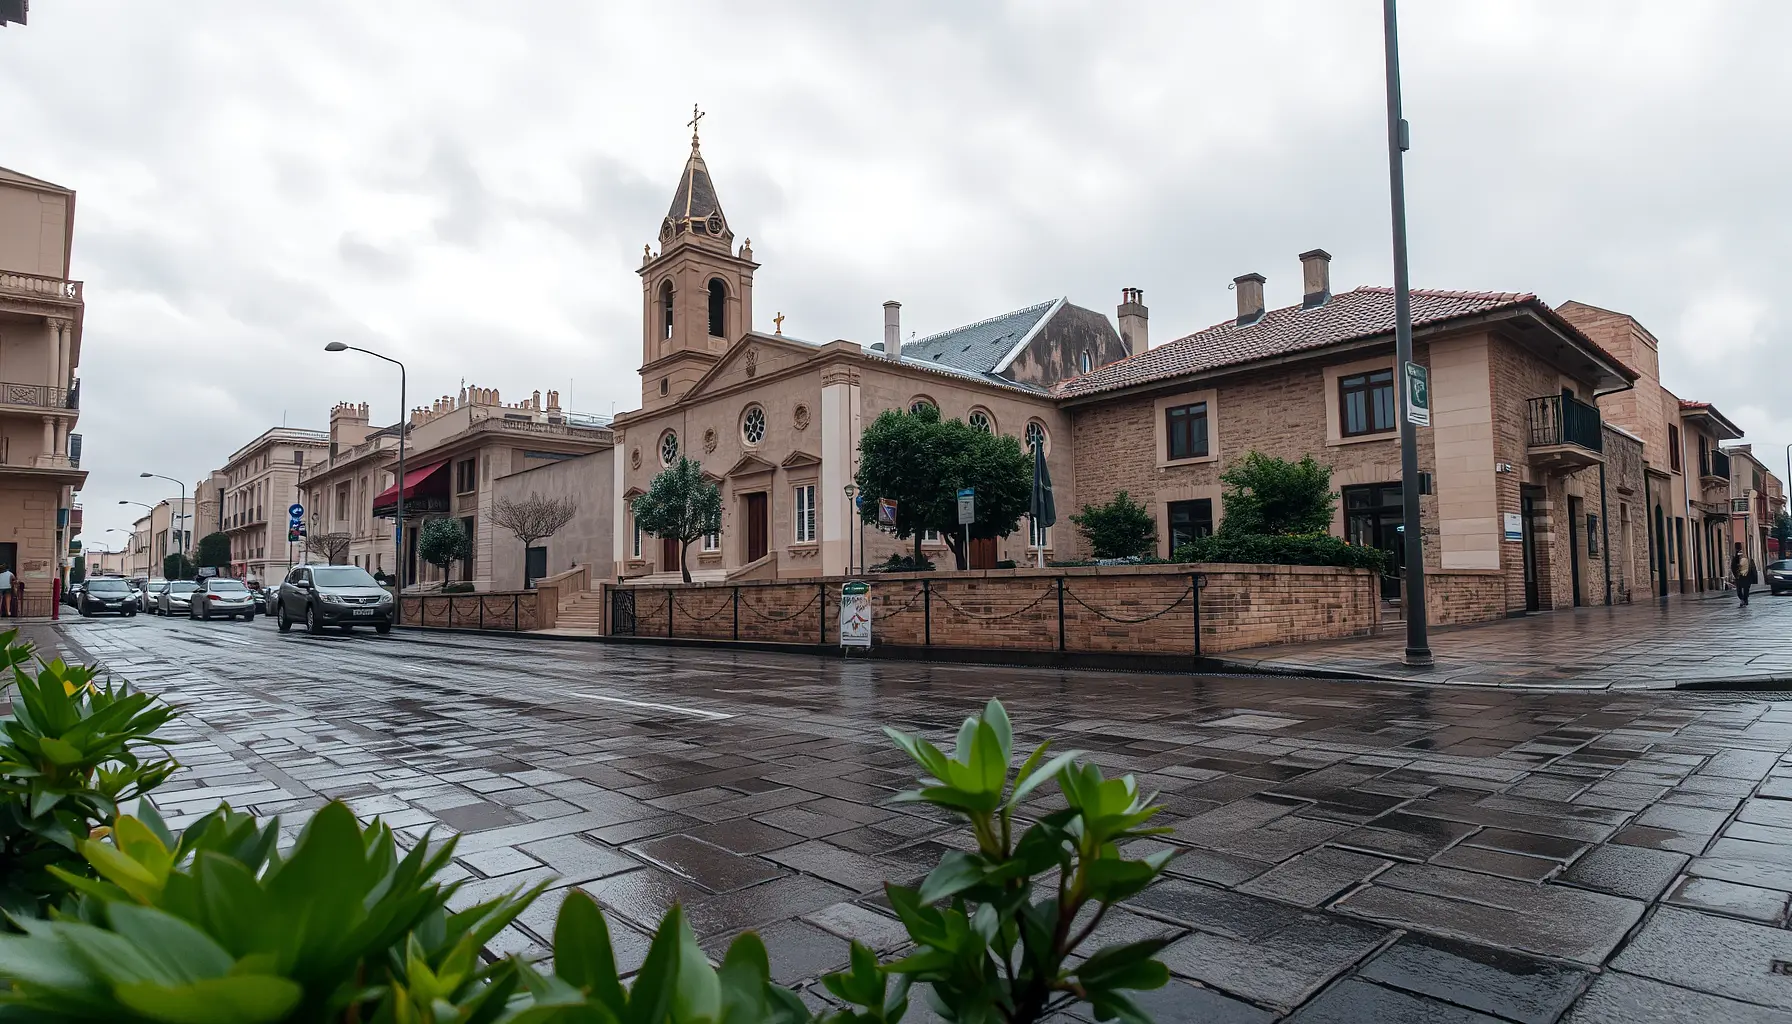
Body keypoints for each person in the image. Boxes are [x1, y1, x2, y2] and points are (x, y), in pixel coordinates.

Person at [1732, 542, 1759, 607]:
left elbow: (1753, 569)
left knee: (1746, 589)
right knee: (1739, 591)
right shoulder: (1736, 558)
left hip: (1747, 576)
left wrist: (1754, 578)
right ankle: (1743, 600)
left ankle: (1745, 600)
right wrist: (1736, 575)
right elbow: (1733, 566)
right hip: (1739, 576)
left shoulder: (1749, 560)